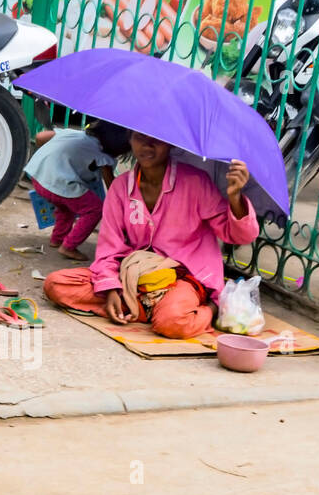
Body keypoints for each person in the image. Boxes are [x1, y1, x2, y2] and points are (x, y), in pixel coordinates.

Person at [43, 130, 259, 340]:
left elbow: (239, 236)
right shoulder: (120, 188)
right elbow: (109, 248)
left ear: (171, 144)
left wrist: (235, 198)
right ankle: (147, 307)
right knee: (56, 283)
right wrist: (109, 288)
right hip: (136, 277)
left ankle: (209, 308)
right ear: (130, 140)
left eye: (156, 139)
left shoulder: (196, 182)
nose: (147, 145)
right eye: (140, 137)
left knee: (173, 323)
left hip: (183, 278)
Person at [25, 121, 132, 261]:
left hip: (37, 175)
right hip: (59, 182)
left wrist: (53, 158)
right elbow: (111, 186)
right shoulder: (102, 155)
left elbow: (40, 137)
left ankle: (57, 239)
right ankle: (68, 246)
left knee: (66, 208)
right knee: (95, 209)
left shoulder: (71, 133)